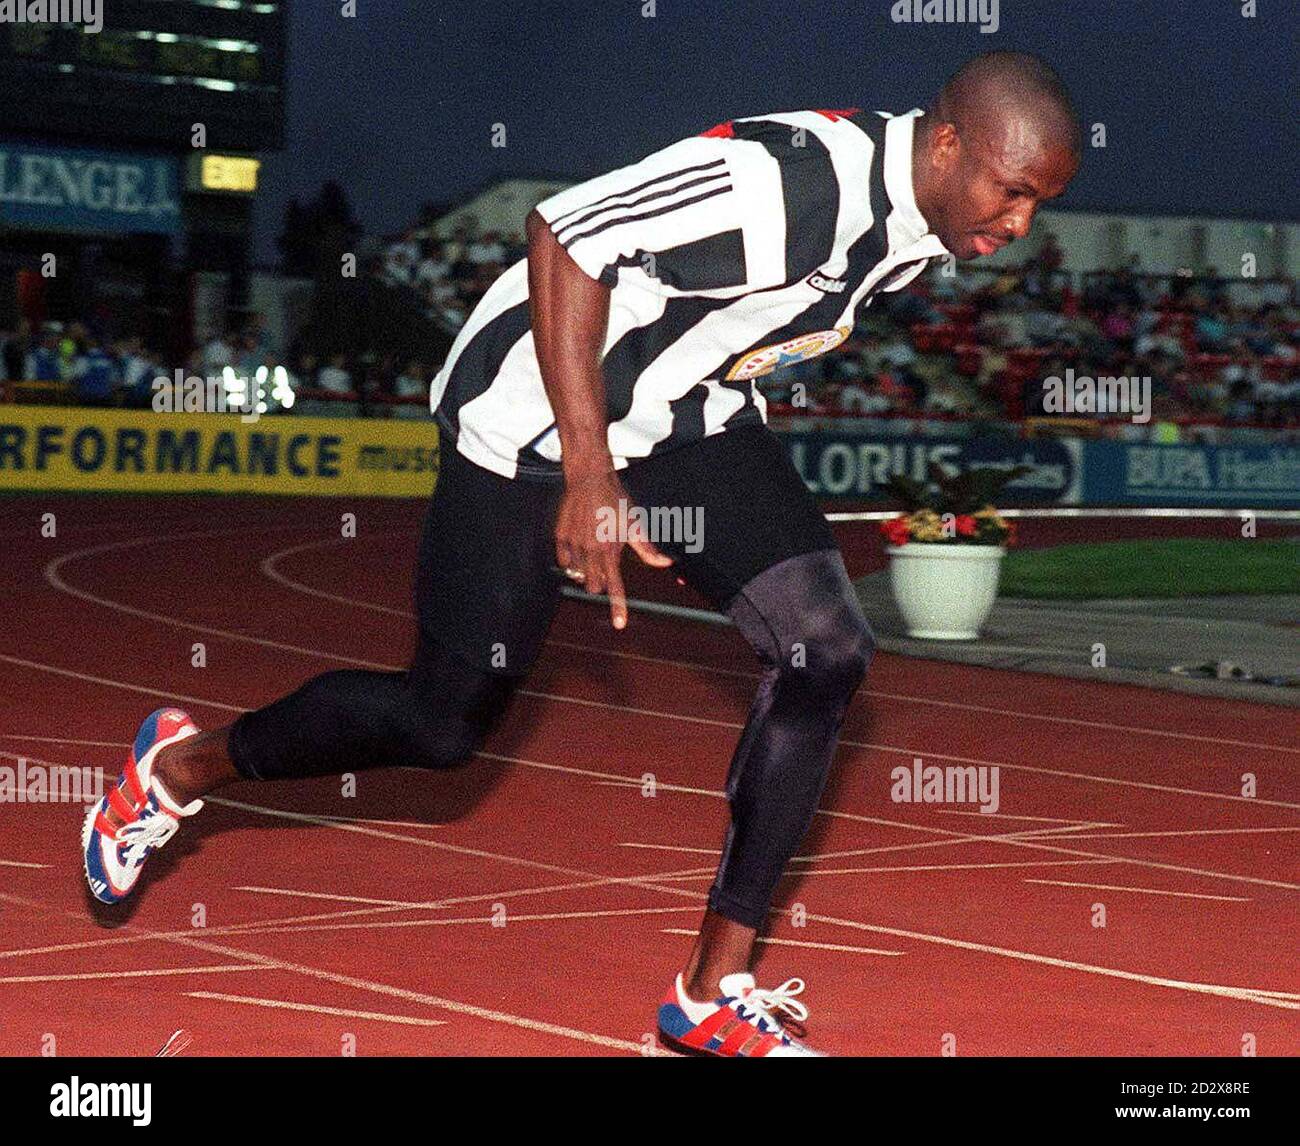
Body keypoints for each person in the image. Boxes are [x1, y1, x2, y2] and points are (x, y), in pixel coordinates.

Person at [83, 51, 1079, 1057]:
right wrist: (588, 472)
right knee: (441, 728)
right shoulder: (795, 177)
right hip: (529, 423)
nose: (1019, 223)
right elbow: (565, 235)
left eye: (1038, 202)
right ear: (945, 143)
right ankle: (177, 769)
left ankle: (709, 993)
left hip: (688, 424)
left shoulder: (919, 225)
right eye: (1014, 190)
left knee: (826, 650)